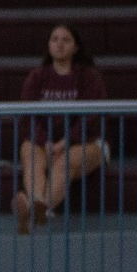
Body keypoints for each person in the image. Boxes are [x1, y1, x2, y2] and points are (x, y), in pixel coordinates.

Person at [16, 23, 109, 233]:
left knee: (64, 162)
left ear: (76, 47)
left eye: (65, 40)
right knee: (30, 155)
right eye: (54, 39)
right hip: (44, 142)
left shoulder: (89, 77)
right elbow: (27, 116)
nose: (59, 44)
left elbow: (92, 117)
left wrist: (65, 142)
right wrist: (46, 142)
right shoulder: (37, 77)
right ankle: (38, 206)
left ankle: (32, 209)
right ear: (48, 45)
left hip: (86, 142)